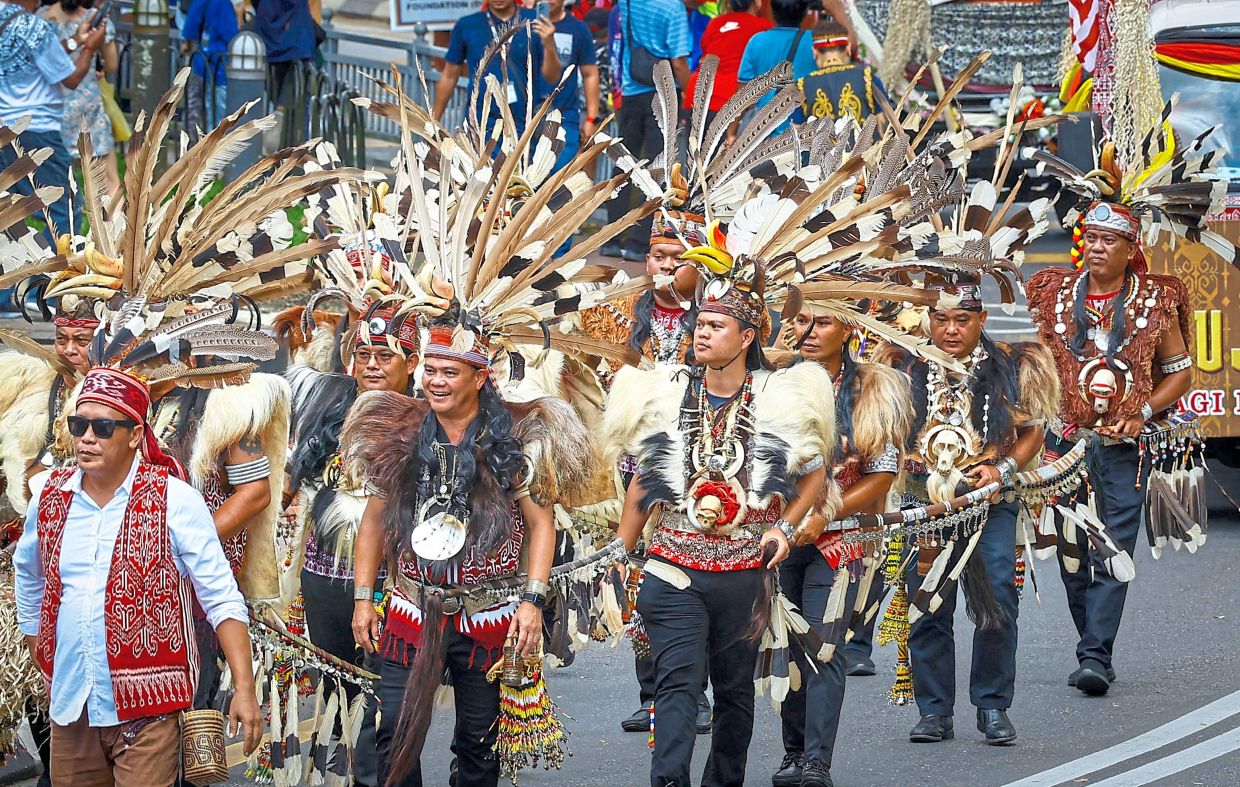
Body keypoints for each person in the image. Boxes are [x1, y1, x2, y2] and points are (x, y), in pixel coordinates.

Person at [603, 239, 833, 787]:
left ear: (747, 337)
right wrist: (619, 553)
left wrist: (784, 527)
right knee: (677, 686)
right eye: (699, 323)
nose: (701, 333)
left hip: (743, 573)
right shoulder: (666, 392)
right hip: (671, 570)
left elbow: (814, 473)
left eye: (715, 325)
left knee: (733, 693)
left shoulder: (778, 396)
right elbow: (642, 484)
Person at [1025, 127, 1232, 697]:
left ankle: (1095, 655)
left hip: (1123, 447)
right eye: (1090, 237)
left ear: (1129, 248)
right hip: (1063, 444)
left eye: (1108, 240)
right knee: (1071, 551)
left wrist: (1141, 410)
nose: (1096, 247)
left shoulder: (1155, 299)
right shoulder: (1051, 292)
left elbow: (1180, 374)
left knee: (1112, 546)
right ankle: (1090, 644)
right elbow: (1038, 365)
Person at [12, 366, 263, 785]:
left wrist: (245, 687)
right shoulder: (51, 496)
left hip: (149, 712)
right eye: (78, 425)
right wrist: (40, 646)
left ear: (134, 435)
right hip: (72, 706)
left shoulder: (174, 500)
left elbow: (220, 597)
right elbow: (29, 574)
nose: (86, 438)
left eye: (102, 427)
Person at [881, 282, 1054, 746]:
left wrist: (1002, 469)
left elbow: (1033, 431)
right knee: (927, 604)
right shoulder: (903, 366)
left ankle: (993, 706)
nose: (951, 330)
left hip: (990, 503)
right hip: (923, 507)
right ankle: (934, 711)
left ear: (982, 320)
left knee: (997, 600)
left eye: (962, 320)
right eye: (941, 319)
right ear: (928, 320)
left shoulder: (1013, 366)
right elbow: (883, 432)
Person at [772, 308, 912, 787]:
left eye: (823, 323)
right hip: (779, 535)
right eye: (801, 321)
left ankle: (816, 761)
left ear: (849, 328)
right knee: (786, 643)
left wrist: (826, 514)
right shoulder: (772, 381)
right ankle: (793, 753)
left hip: (842, 537)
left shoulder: (873, 388)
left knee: (823, 644)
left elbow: (882, 473)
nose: (808, 332)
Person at [283, 303, 420, 787]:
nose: (372, 365)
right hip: (324, 578)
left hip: (394, 585)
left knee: (389, 704)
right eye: (363, 354)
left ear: (412, 363)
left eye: (385, 356)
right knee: (336, 693)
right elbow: (290, 481)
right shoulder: (328, 408)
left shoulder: (428, 420)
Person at [0, 0, 106, 238]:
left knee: (6, 206)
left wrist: (77, 40)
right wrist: (90, 47)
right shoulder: (34, 27)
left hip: (4, 129)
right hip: (34, 130)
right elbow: (71, 79)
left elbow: (35, 56)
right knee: (63, 209)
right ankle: (52, 262)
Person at [614, 0, 691, 260]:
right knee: (657, 168)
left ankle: (611, 238)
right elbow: (678, 62)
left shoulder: (628, 3)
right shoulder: (672, 8)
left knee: (623, 164)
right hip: (663, 94)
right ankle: (638, 242)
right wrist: (689, 95)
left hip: (631, 91)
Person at [431, 0, 561, 135]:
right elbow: (449, 76)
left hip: (525, 122)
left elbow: (552, 76)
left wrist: (549, 44)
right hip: (481, 122)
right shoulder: (467, 25)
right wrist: (434, 122)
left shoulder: (535, 22)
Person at [37, 0, 120, 197]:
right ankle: (112, 218)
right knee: (108, 185)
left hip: (51, 113)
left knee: (56, 186)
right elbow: (112, 64)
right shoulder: (96, 20)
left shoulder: (38, 19)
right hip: (88, 111)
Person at [681, 0, 771, 130]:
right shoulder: (763, 27)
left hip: (696, 98)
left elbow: (705, 50)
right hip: (728, 103)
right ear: (756, 2)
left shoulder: (715, 22)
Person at [795, 17, 883, 123]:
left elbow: (797, 128)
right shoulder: (867, 77)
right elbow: (884, 122)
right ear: (848, 48)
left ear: (815, 52)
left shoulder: (801, 87)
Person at [548, 0, 600, 168]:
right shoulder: (523, 24)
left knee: (560, 175)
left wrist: (591, 118)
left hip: (565, 117)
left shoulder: (578, 29)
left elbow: (590, 73)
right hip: (525, 118)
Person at [181, 0, 239, 130]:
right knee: (219, 109)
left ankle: (196, 139)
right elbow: (231, 35)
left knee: (200, 106)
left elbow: (191, 28)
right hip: (221, 62)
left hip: (203, 59)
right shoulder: (224, 5)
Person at [253, 0, 317, 107]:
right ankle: (282, 110)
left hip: (268, 38)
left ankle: (280, 109)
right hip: (298, 38)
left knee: (271, 91)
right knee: (300, 97)